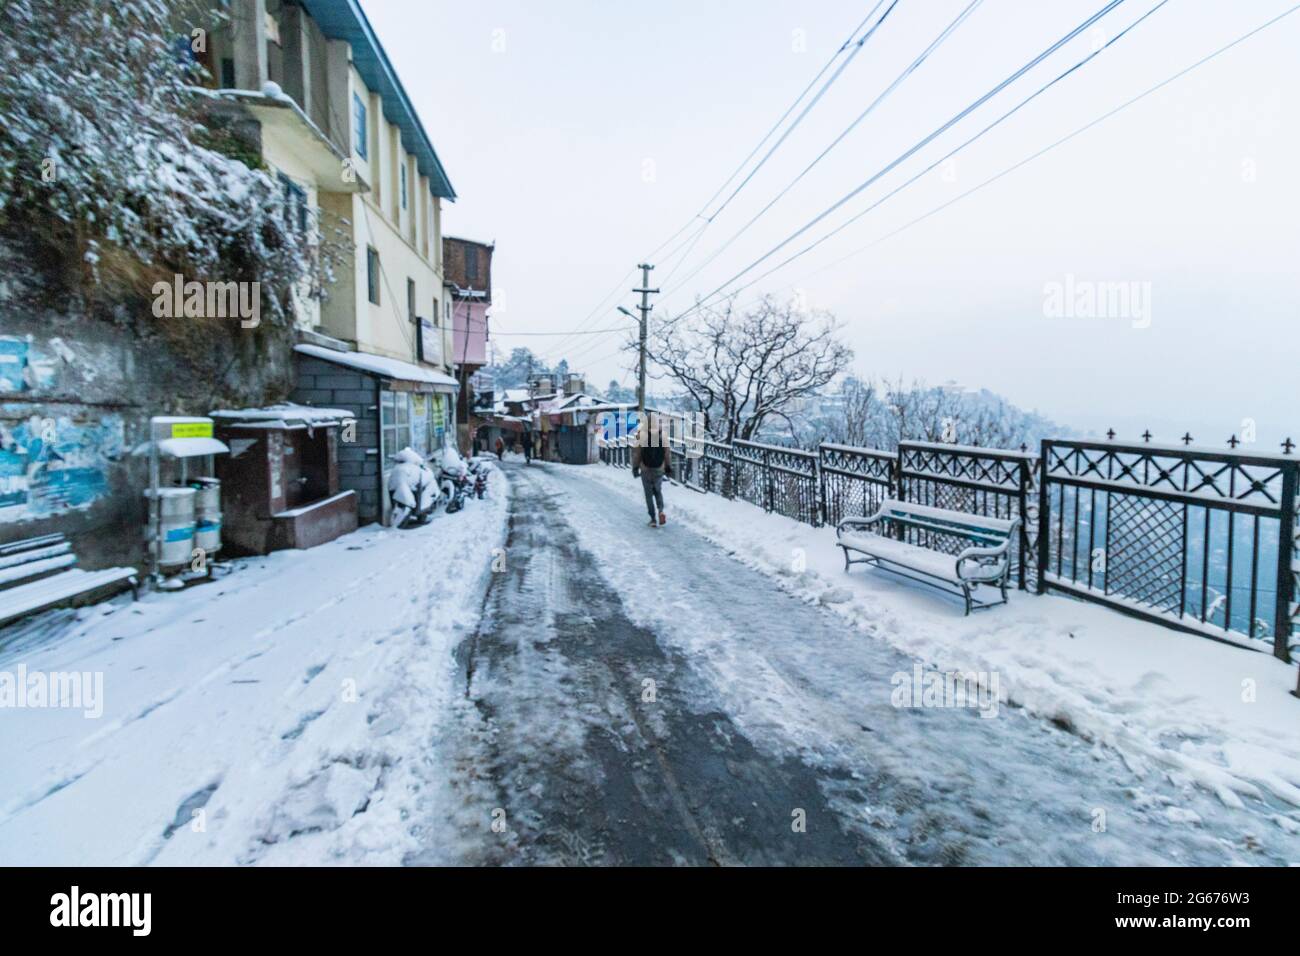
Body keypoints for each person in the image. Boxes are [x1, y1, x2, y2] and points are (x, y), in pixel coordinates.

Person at [631, 422, 672, 527]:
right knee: (658, 491)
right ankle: (661, 511)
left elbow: (637, 454)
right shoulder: (663, 436)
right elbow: (667, 454)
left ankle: (653, 519)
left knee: (648, 495)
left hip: (645, 469)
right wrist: (668, 467)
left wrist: (635, 467)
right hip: (659, 469)